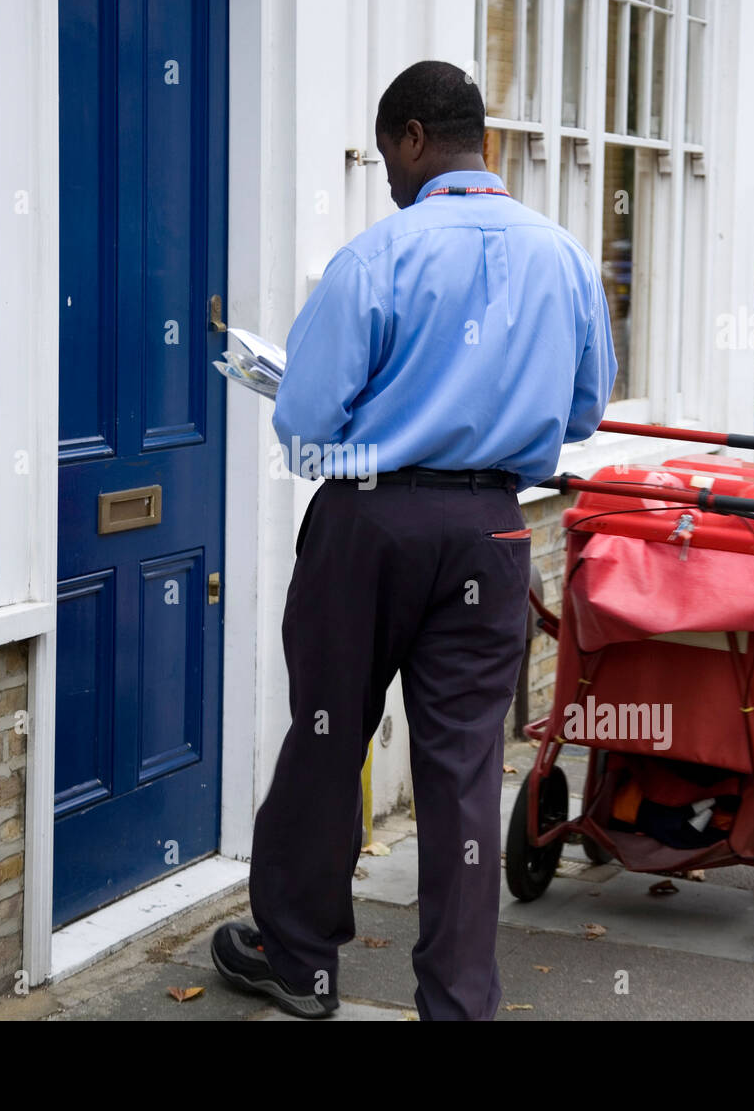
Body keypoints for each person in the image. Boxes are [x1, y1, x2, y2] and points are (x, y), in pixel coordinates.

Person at [211, 59, 617, 1020]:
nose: (388, 177)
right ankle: (459, 1003)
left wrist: (363, 421)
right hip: (490, 530)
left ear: (410, 138)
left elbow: (305, 424)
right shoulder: (563, 258)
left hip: (370, 524)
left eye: (388, 153)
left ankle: (303, 964)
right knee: (467, 774)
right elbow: (586, 407)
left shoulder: (376, 258)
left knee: (324, 738)